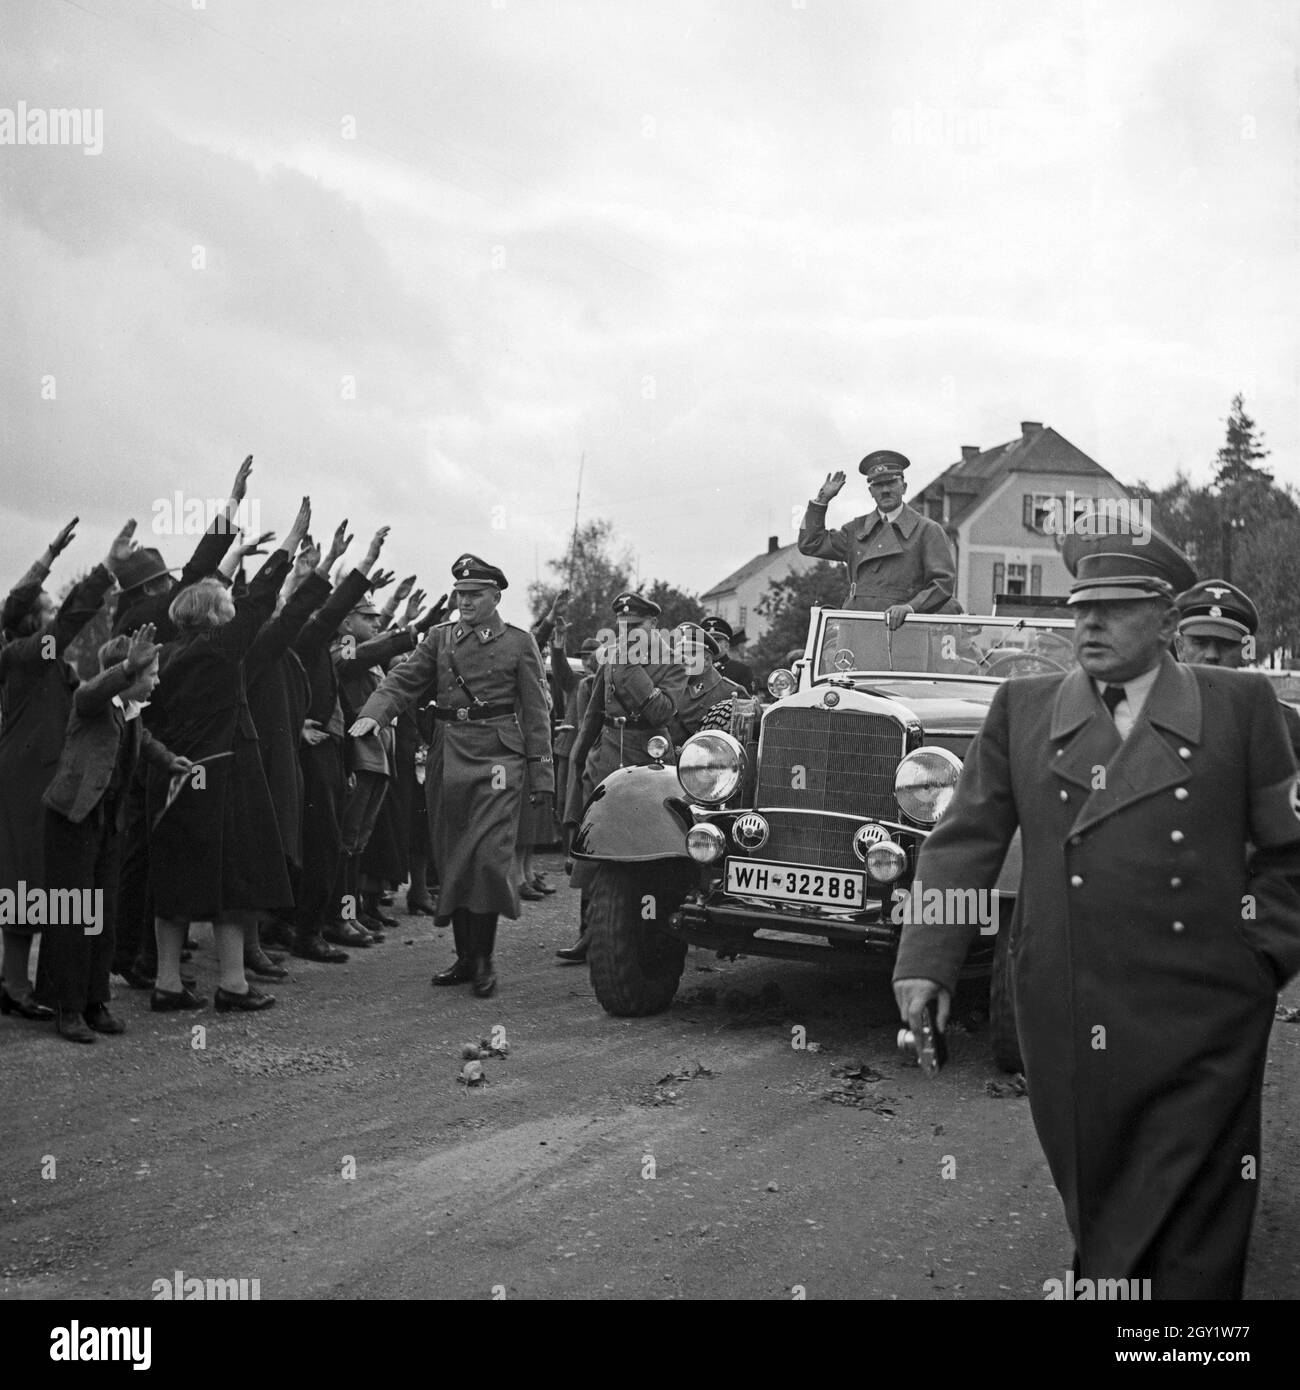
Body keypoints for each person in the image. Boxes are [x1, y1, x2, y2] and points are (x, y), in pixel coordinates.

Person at [892, 529, 1300, 1299]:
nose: (1089, 625)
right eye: (1081, 609)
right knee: (1102, 1194)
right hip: (1068, 1003)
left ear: (1166, 619)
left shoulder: (1242, 707)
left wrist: (1259, 962)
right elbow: (965, 840)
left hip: (1205, 1013)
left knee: (1195, 1222)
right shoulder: (1025, 707)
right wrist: (927, 960)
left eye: (1114, 609)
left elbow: (1290, 854)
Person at [351, 554, 554, 997]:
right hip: (450, 756)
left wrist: (542, 776)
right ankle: (464, 958)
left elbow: (537, 714)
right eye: (460, 594)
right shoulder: (440, 639)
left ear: (496, 596)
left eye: (475, 594)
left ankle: (483, 958)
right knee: (454, 860)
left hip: (499, 760)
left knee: (486, 859)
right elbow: (404, 679)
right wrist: (375, 713)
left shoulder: (519, 643)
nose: (465, 601)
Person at [146, 498, 311, 1014]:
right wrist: (290, 541)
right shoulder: (221, 648)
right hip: (223, 776)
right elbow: (262, 597)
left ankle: (167, 983)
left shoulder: (162, 656)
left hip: (171, 778)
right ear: (216, 616)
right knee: (233, 877)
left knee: (174, 880)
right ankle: (233, 984)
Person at [0, 520, 132, 1021]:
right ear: (34, 622)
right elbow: (65, 623)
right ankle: (14, 985)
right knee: (25, 883)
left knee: (29, 882)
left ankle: (16, 982)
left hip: (35, 776)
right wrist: (104, 569)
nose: (56, 617)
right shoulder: (27, 654)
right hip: (27, 780)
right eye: (48, 611)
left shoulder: (40, 659)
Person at [37, 626, 191, 1042]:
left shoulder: (130, 711)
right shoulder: (90, 704)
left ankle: (94, 1001)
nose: (156, 680)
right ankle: (67, 1008)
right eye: (151, 673)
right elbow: (89, 693)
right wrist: (126, 667)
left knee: (102, 915)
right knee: (72, 913)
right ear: (128, 674)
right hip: (73, 819)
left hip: (107, 823)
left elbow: (144, 738)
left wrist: (166, 760)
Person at [557, 591, 686, 962]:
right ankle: (589, 932)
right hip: (607, 755)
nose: (628, 631)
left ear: (653, 626)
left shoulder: (672, 661)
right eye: (622, 625)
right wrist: (579, 761)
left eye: (636, 625)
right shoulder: (612, 658)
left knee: (641, 846)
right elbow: (593, 714)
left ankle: (639, 930)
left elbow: (662, 710)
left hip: (649, 760)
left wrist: (631, 672)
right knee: (594, 844)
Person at [290, 528, 391, 961]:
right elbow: (332, 613)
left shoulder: (312, 640)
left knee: (339, 843)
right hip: (316, 748)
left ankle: (326, 921)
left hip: (333, 748)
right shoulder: (317, 641)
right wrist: (353, 563)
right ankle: (313, 927)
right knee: (327, 842)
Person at [798, 450, 958, 627]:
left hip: (904, 629)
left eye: (891, 483)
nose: (885, 490)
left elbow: (943, 583)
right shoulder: (856, 530)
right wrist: (821, 500)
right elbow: (809, 543)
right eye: (879, 485)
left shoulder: (927, 530)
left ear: (903, 487)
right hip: (856, 626)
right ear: (870, 491)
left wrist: (911, 608)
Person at [1174, 578, 1300, 761]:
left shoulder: (1280, 723)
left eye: (1225, 644)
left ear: (1244, 651)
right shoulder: (1150, 713)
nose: (1212, 655)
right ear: (1179, 647)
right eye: (1200, 642)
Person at [668, 624, 748, 744]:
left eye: (690, 654)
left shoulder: (732, 692)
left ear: (706, 660)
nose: (683, 660)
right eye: (680, 654)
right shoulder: (671, 687)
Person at [700, 616, 755, 694]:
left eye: (716, 640)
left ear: (726, 646)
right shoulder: (695, 671)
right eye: (707, 640)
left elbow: (748, 703)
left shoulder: (742, 671)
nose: (711, 644)